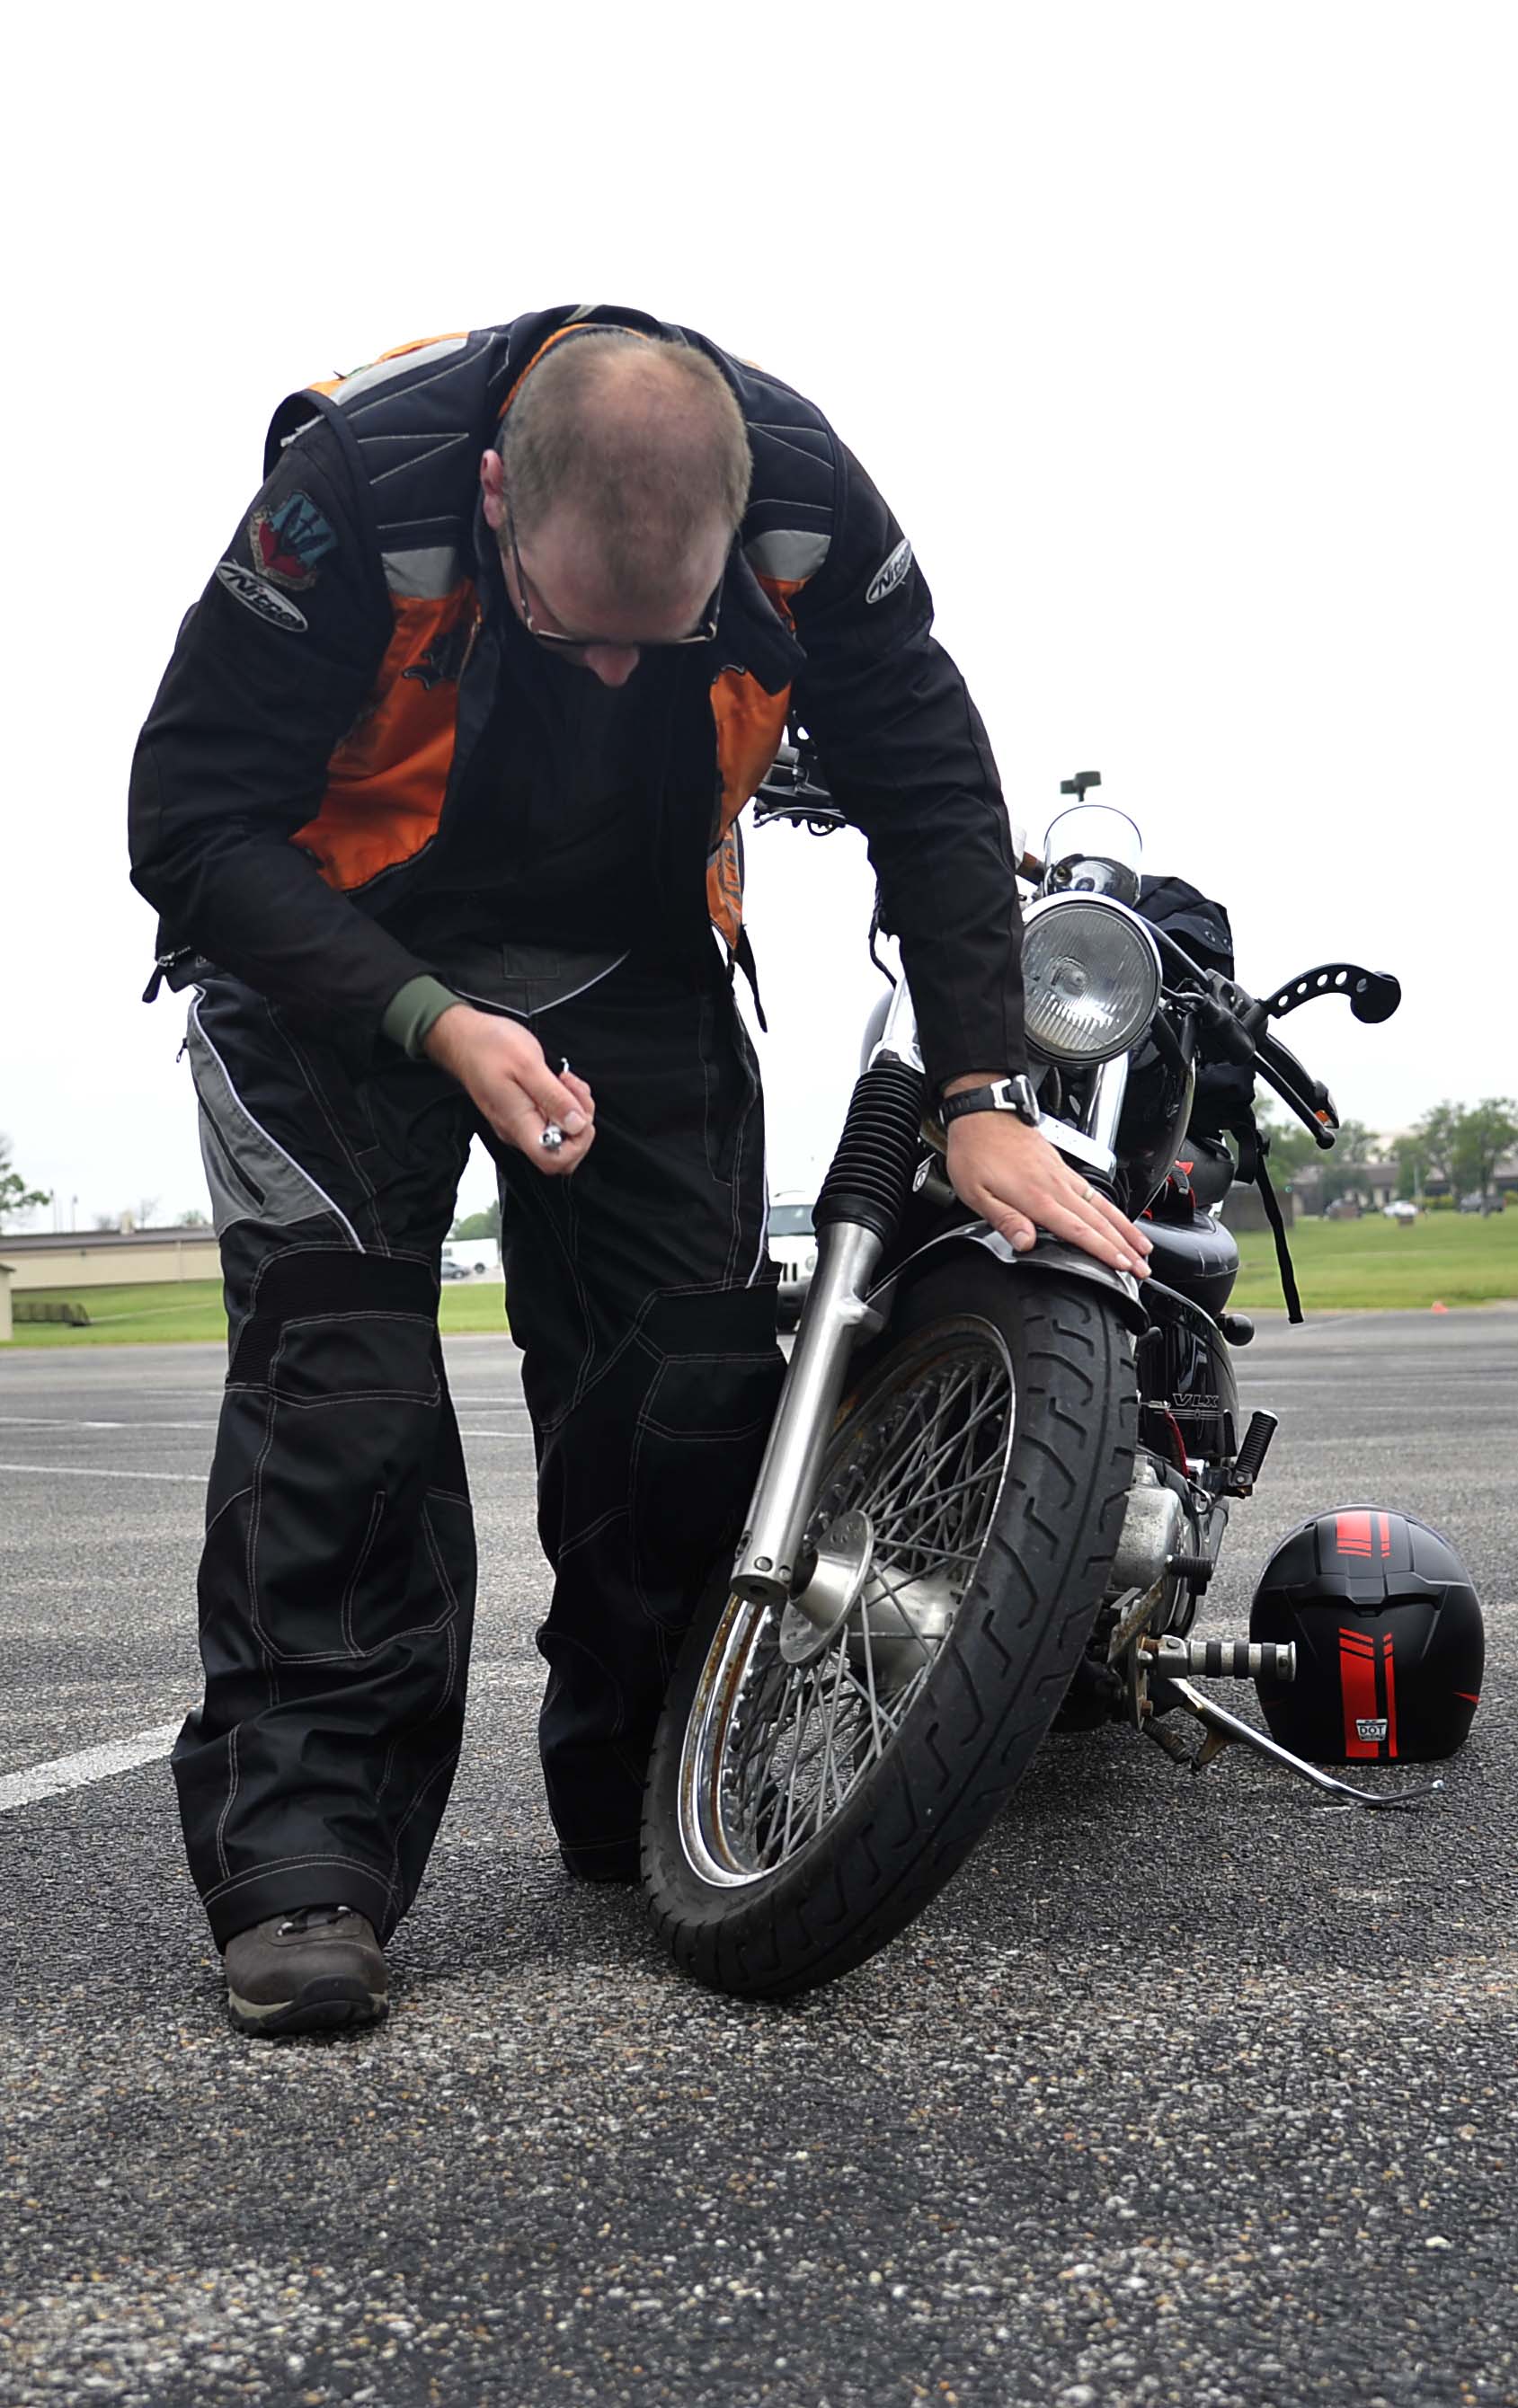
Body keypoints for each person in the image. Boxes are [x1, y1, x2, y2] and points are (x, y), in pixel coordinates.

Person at [129, 305, 1151, 2037]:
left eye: (655, 643)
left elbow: (931, 792)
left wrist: (980, 1087)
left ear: (736, 541)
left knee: (681, 1386)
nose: (612, 675)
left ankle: (641, 1787)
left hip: (626, 951)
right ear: (491, 506)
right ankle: (306, 1856)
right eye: (564, 629)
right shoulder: (348, 501)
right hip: (333, 956)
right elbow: (186, 823)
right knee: (340, 1395)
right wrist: (432, 1019)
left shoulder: (812, 509)